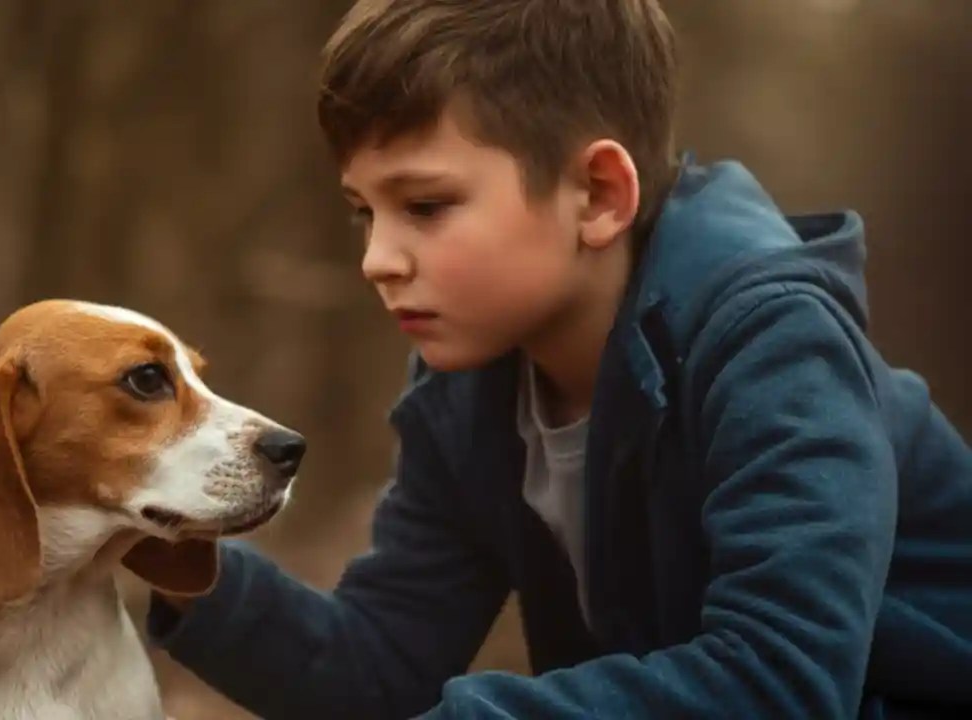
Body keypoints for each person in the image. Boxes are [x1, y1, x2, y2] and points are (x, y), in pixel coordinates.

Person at [144, 1, 972, 717]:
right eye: (365, 212)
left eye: (425, 206)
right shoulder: (465, 392)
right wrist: (179, 571)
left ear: (600, 196)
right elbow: (379, 671)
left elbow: (782, 681)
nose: (378, 259)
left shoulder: (769, 344)